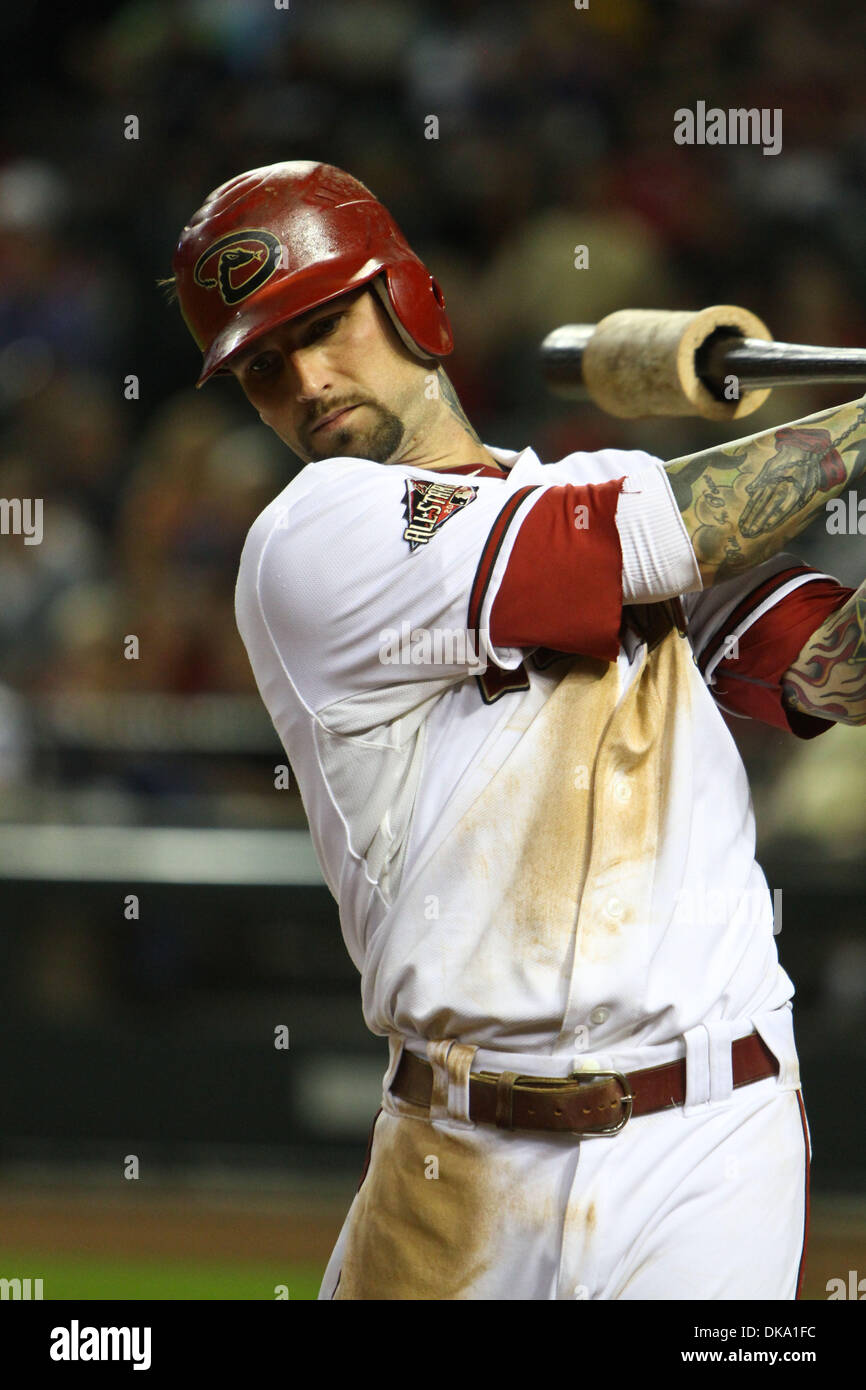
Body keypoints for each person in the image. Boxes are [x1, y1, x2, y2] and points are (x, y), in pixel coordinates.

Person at [168, 160, 866, 1300]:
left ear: (408, 297)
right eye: (259, 366)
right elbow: (632, 542)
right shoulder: (308, 539)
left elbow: (833, 676)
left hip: (708, 1140)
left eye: (323, 321)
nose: (303, 377)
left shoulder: (614, 484)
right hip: (457, 1158)